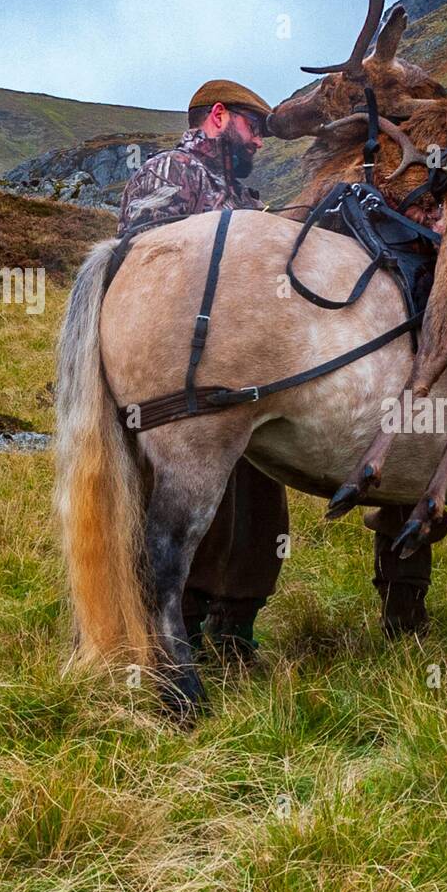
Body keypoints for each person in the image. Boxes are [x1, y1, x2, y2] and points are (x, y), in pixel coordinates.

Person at [117, 80, 288, 656]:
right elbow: (148, 267)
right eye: (253, 127)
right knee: (187, 506)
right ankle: (176, 632)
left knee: (261, 509)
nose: (260, 141)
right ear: (219, 116)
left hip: (247, 375)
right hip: (183, 380)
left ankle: (235, 627)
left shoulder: (241, 197)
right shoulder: (168, 173)